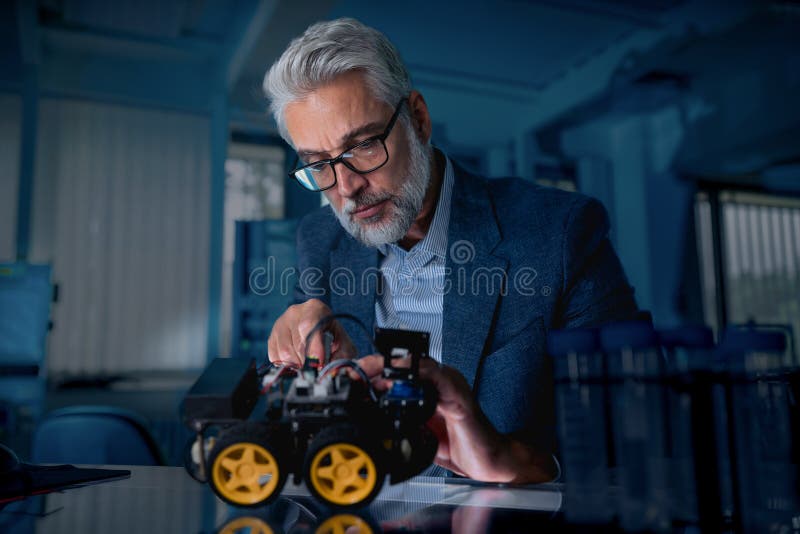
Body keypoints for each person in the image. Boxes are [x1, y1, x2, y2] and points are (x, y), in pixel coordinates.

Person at [263, 17, 637, 483]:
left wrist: (516, 462)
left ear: (418, 119)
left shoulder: (560, 233)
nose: (346, 188)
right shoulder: (320, 238)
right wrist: (300, 351)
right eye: (319, 164)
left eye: (362, 146)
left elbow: (638, 427)